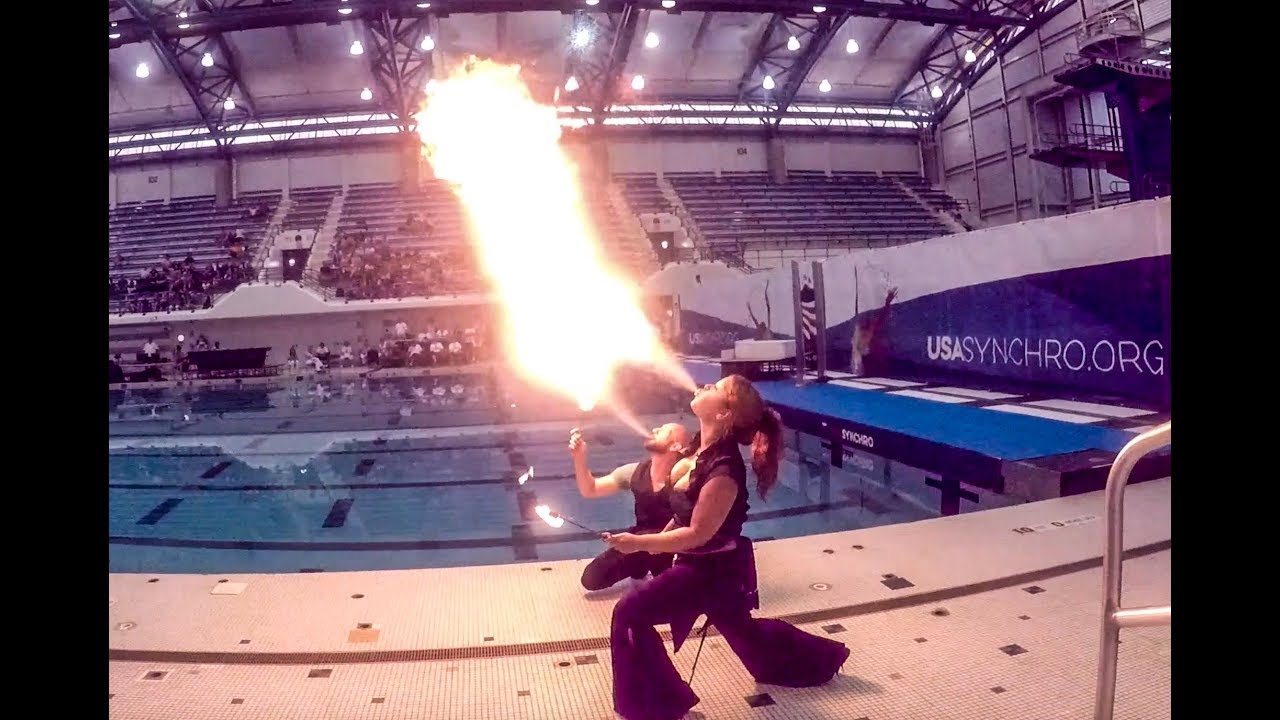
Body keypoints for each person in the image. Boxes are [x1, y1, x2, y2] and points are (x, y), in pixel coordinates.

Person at [604, 374, 850, 720]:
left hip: (712, 575)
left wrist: (640, 543)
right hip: (704, 571)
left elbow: (699, 534)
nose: (705, 386)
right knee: (745, 633)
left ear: (723, 414)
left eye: (716, 388)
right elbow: (685, 516)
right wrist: (656, 542)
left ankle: (654, 707)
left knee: (630, 611)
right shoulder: (696, 454)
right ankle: (818, 659)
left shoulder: (724, 471)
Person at [569, 423, 690, 592]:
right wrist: (579, 458)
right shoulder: (633, 472)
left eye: (663, 431)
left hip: (672, 545)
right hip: (638, 542)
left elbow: (690, 523)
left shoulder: (688, 478)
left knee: (675, 592)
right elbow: (590, 489)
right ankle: (638, 567)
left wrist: (658, 543)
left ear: (676, 446)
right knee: (591, 579)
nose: (654, 429)